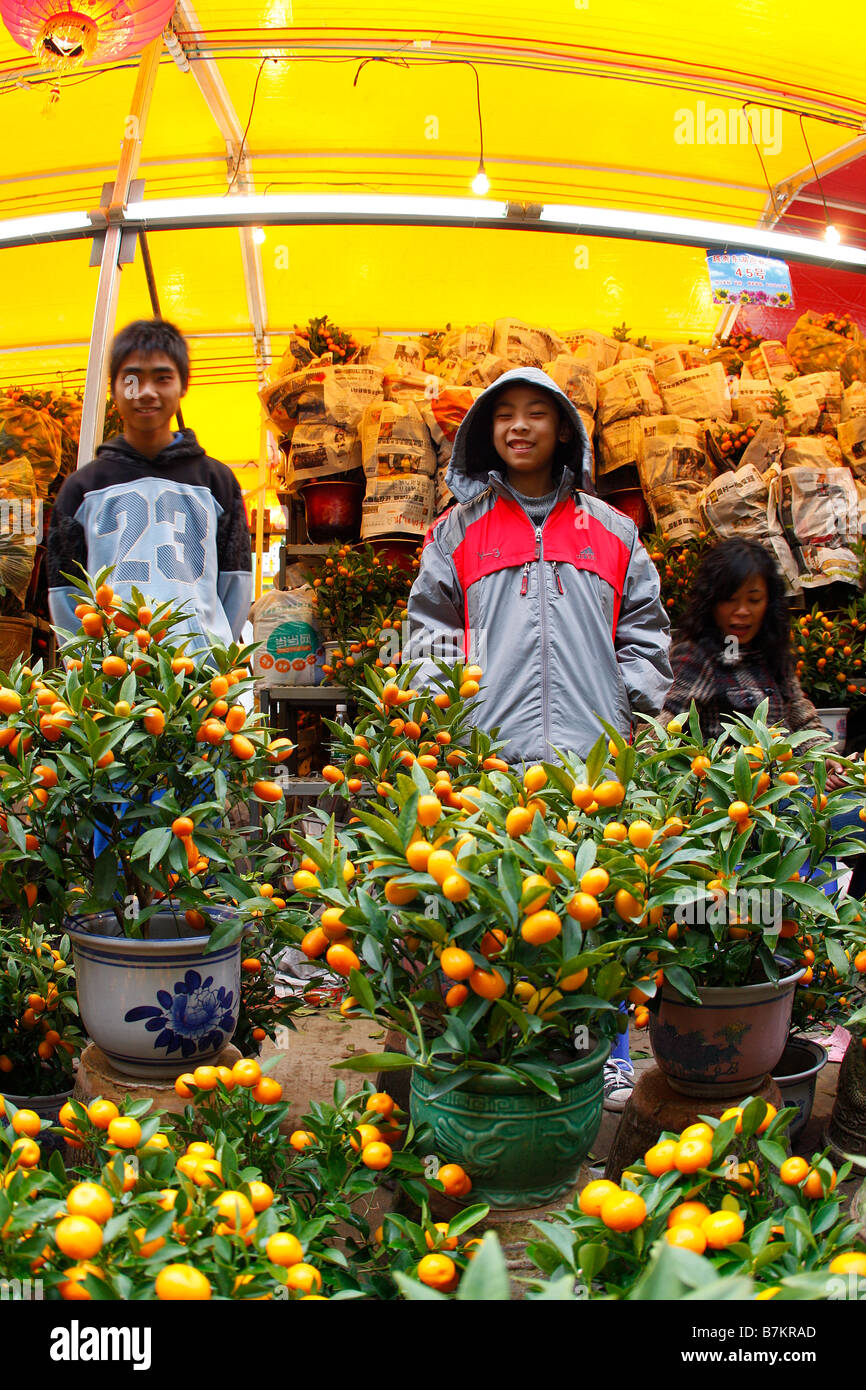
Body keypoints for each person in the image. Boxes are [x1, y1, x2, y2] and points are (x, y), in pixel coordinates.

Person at [404, 366, 673, 1111]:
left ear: (564, 430)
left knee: (598, 913)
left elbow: (646, 635)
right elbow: (426, 635)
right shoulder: (457, 531)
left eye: (535, 414)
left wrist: (629, 706)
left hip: (593, 762)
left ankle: (607, 1054)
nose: (518, 427)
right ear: (486, 432)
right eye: (504, 417)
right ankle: (510, 1053)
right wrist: (444, 724)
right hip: (492, 760)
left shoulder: (613, 532)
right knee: (496, 913)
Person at [656, 537, 864, 885]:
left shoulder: (770, 651)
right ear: (712, 602)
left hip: (786, 794)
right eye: (730, 600)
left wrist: (828, 761)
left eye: (754, 600)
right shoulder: (698, 656)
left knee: (854, 808)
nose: (742, 612)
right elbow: (665, 724)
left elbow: (800, 714)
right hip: (733, 809)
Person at [47, 318, 252, 652]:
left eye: (162, 378)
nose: (145, 392)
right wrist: (90, 662)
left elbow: (236, 580)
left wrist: (213, 654)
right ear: (113, 386)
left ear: (183, 385)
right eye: (132, 378)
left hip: (198, 672)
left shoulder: (216, 482)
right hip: (112, 677)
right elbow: (64, 591)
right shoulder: (82, 489)